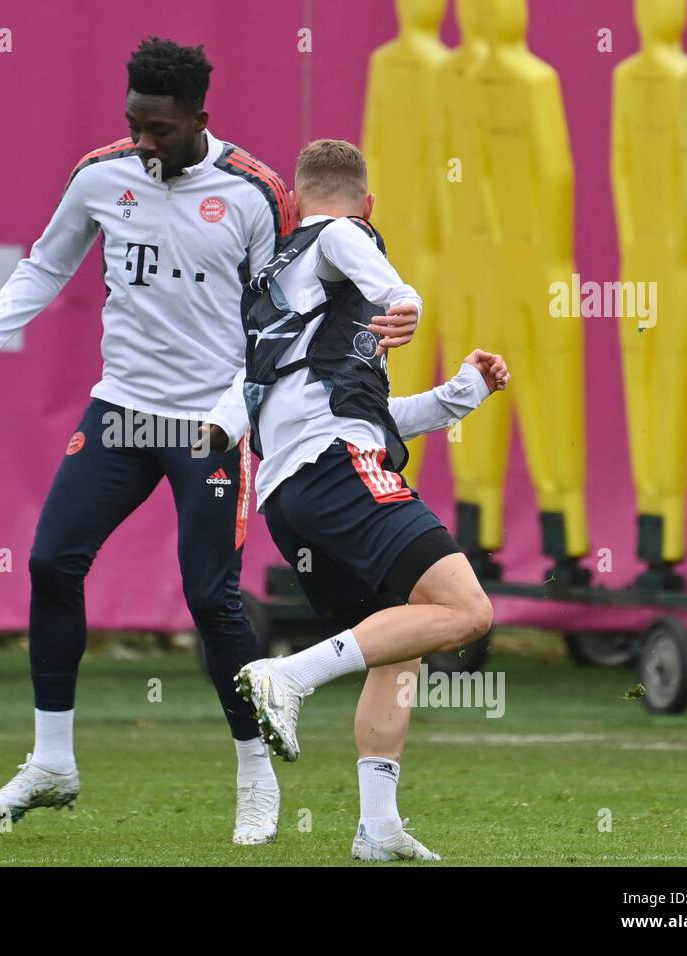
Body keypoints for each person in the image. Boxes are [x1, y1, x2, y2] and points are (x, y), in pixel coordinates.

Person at [0, 37, 397, 844]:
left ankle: (255, 778)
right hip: (121, 411)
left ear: (198, 118)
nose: (142, 142)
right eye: (133, 123)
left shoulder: (256, 194)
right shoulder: (101, 175)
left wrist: (246, 406)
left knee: (208, 596)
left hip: (213, 421)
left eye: (157, 129)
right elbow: (45, 267)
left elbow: (280, 318)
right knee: (52, 562)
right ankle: (53, 762)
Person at [203, 139, 508, 862]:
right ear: (367, 206)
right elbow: (395, 296)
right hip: (339, 467)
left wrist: (463, 393)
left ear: (291, 203)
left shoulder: (272, 288)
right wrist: (405, 302)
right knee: (468, 613)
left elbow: (352, 406)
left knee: (399, 643)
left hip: (292, 493)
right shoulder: (343, 236)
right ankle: (289, 676)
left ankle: (377, 826)